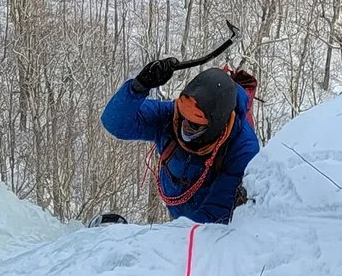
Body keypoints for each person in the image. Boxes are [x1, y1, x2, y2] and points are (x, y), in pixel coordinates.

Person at [101, 54, 261, 224]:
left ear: (216, 125)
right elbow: (114, 123)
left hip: (204, 223)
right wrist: (138, 87)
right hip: (178, 210)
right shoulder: (172, 117)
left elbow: (214, 216)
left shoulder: (242, 148)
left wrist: (165, 237)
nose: (184, 125)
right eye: (183, 116)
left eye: (195, 124)